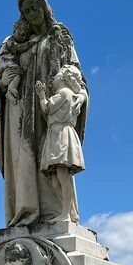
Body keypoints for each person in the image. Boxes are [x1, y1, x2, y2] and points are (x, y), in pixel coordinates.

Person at [0, 0, 88, 226]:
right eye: (26, 11)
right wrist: (11, 80)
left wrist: (76, 92)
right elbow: (2, 64)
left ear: (45, 8)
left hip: (52, 108)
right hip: (22, 108)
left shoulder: (59, 36)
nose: (31, 14)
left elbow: (73, 69)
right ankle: (27, 211)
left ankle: (61, 213)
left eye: (35, 8)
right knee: (25, 158)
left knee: (56, 162)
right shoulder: (13, 42)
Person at [35, 66, 86, 223]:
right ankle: (69, 211)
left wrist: (41, 93)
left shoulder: (64, 93)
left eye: (56, 76)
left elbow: (46, 108)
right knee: (57, 178)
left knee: (63, 176)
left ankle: (67, 214)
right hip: (56, 133)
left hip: (61, 134)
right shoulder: (67, 94)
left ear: (64, 79)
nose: (53, 79)